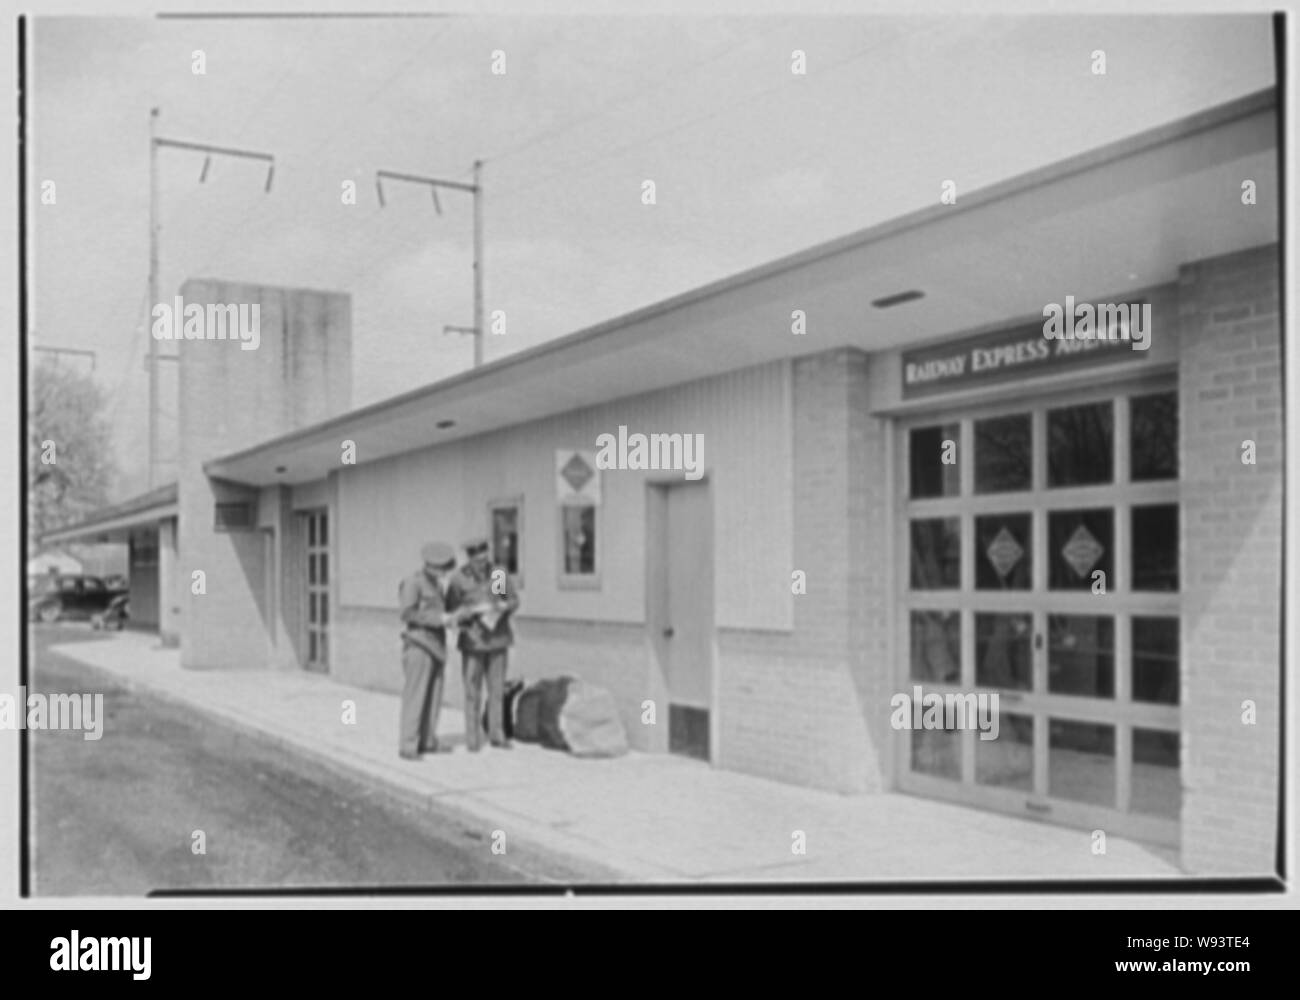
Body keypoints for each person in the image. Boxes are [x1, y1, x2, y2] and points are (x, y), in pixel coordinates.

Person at [397, 541, 472, 760]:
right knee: (416, 696)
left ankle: (427, 741)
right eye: (441, 568)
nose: (444, 573)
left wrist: (458, 619)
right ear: (430, 565)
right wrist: (441, 619)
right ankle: (408, 745)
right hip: (419, 644)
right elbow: (408, 614)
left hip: (437, 646)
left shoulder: (437, 585)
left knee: (434, 697)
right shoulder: (413, 583)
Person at [445, 537, 520, 751]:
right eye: (478, 558)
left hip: (497, 639)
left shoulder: (496, 574)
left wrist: (503, 606)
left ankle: (497, 734)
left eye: (485, 556)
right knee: (472, 691)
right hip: (473, 642)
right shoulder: (459, 579)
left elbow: (512, 600)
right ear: (469, 558)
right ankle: (473, 737)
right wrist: (465, 614)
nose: (483, 561)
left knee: (496, 690)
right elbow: (451, 611)